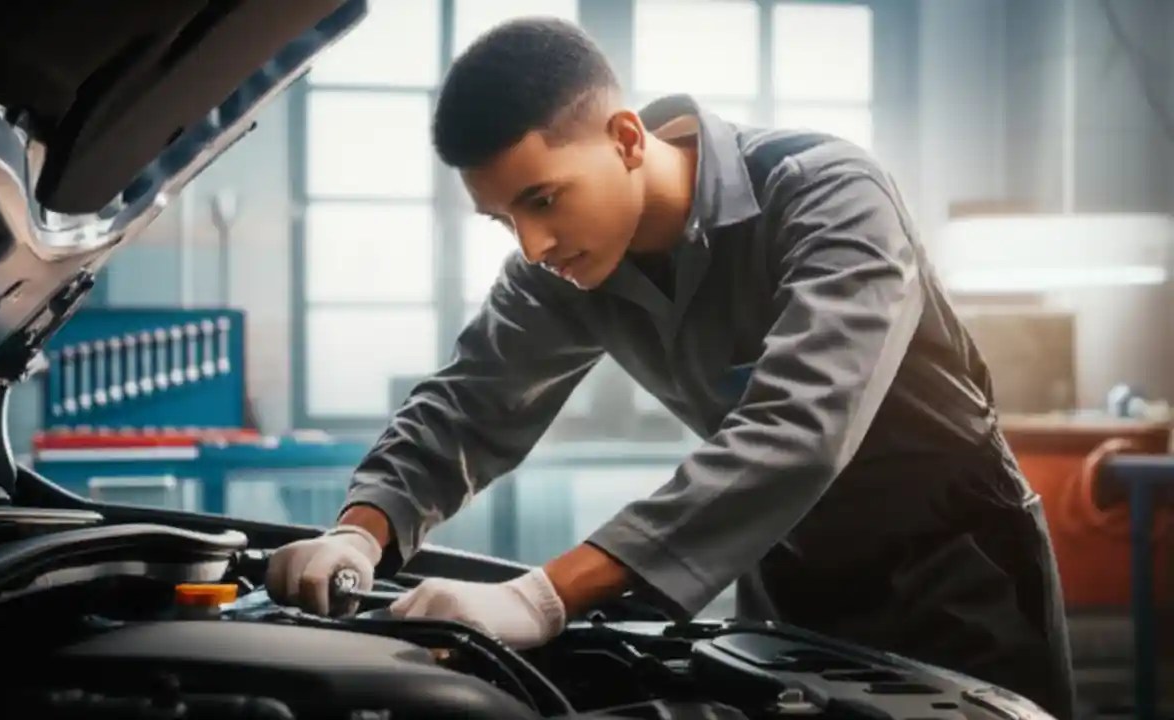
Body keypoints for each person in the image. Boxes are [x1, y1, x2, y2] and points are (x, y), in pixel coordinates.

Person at [266, 17, 1075, 718]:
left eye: (543, 199)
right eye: (503, 217)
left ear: (624, 138)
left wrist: (543, 595)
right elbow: (465, 406)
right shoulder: (562, 270)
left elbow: (800, 428)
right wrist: (359, 532)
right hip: (787, 578)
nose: (531, 245)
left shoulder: (830, 193)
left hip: (955, 570)